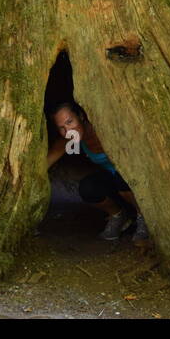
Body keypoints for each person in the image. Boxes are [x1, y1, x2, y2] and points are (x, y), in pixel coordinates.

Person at [46, 101, 148, 242]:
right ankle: (118, 216)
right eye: (62, 128)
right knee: (88, 188)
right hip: (114, 181)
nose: (68, 130)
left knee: (122, 178)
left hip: (136, 179)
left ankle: (144, 217)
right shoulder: (71, 139)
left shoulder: (100, 128)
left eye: (70, 122)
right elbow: (47, 162)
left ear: (81, 116)